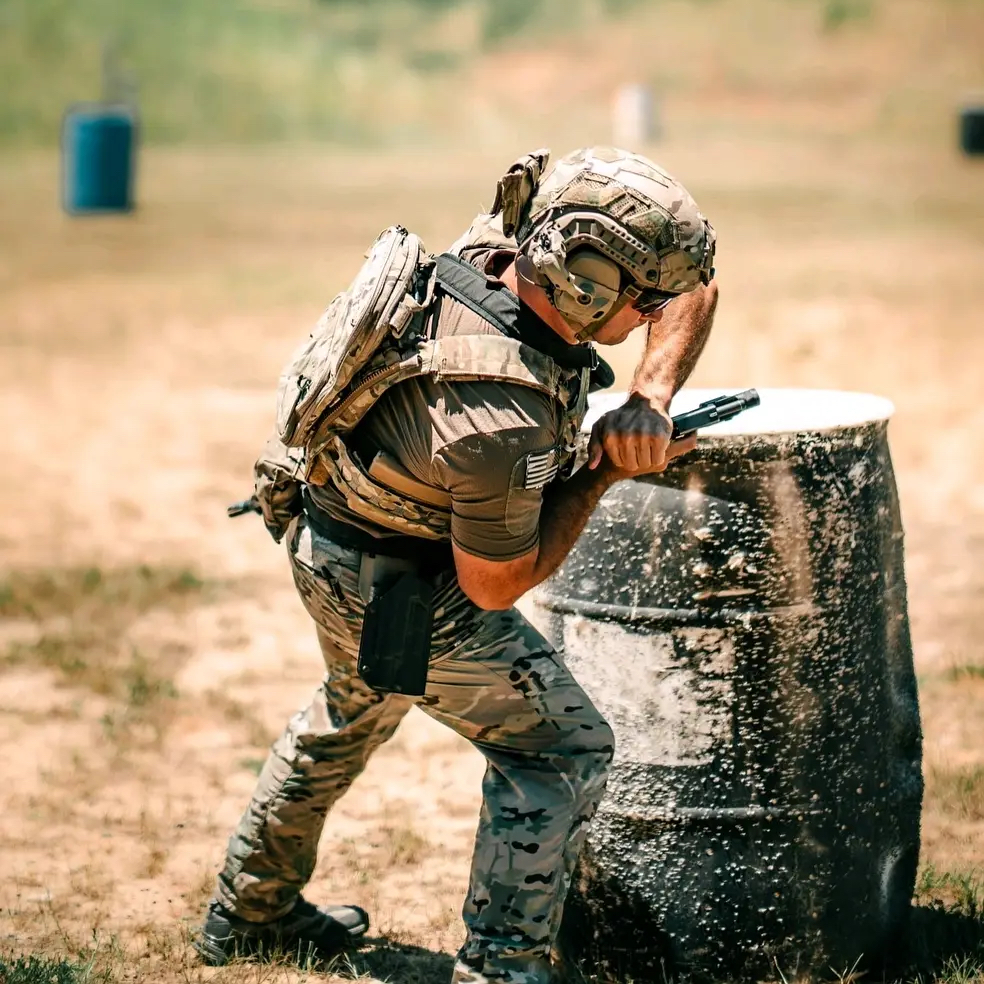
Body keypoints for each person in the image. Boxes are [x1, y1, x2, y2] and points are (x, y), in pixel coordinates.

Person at [195, 146, 719, 984]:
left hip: (333, 536)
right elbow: (495, 582)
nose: (659, 311)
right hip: (395, 581)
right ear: (584, 282)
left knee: (347, 714)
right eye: (642, 301)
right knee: (557, 752)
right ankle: (502, 970)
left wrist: (645, 398)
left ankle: (247, 914)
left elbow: (691, 286)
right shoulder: (495, 419)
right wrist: (603, 470)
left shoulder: (503, 247)